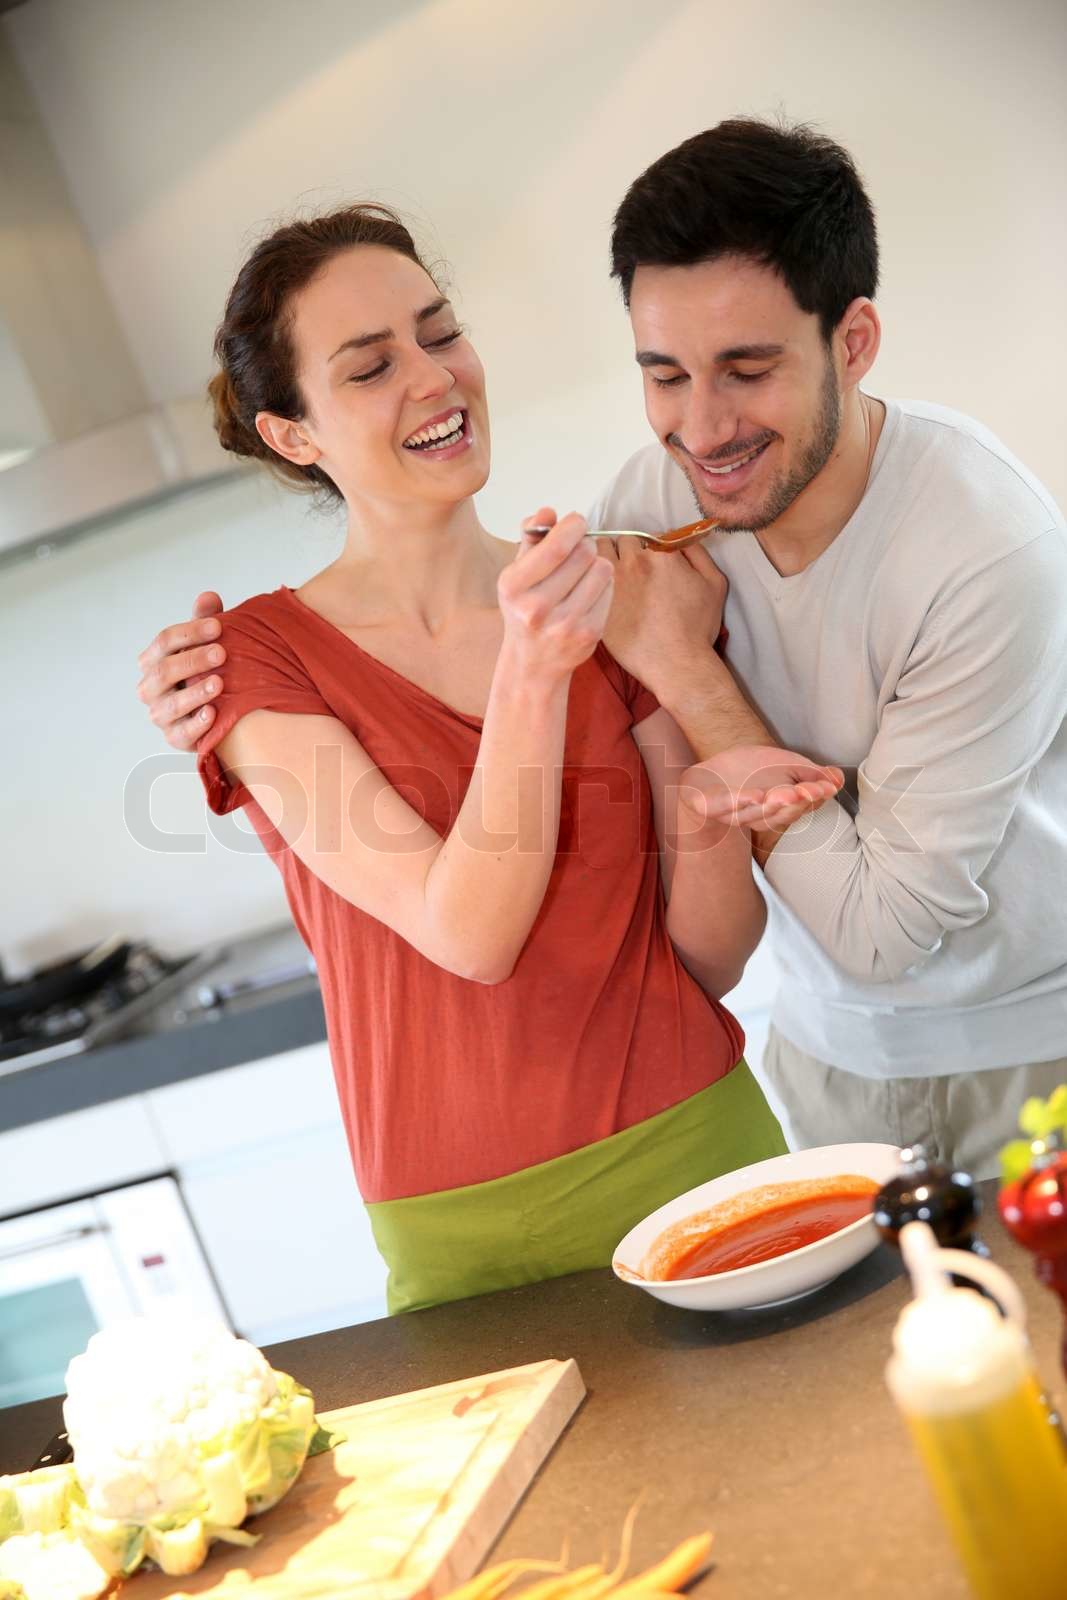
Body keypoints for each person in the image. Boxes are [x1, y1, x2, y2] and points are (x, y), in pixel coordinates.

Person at [144, 118, 1067, 1182]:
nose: (703, 428)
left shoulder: (981, 550)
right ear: (292, 433)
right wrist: (208, 687)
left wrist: (678, 676)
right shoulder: (647, 512)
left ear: (850, 342)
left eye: (746, 368)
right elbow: (577, 928)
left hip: (1024, 1056)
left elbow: (825, 938)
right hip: (824, 1068)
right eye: (664, 374)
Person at [137, 203, 838, 1312]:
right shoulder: (257, 661)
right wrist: (534, 666)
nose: (433, 377)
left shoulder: (600, 586)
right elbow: (467, 931)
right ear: (293, 434)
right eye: (370, 366)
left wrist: (705, 815)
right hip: (456, 1228)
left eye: (438, 332)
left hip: (697, 1150)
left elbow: (704, 961)